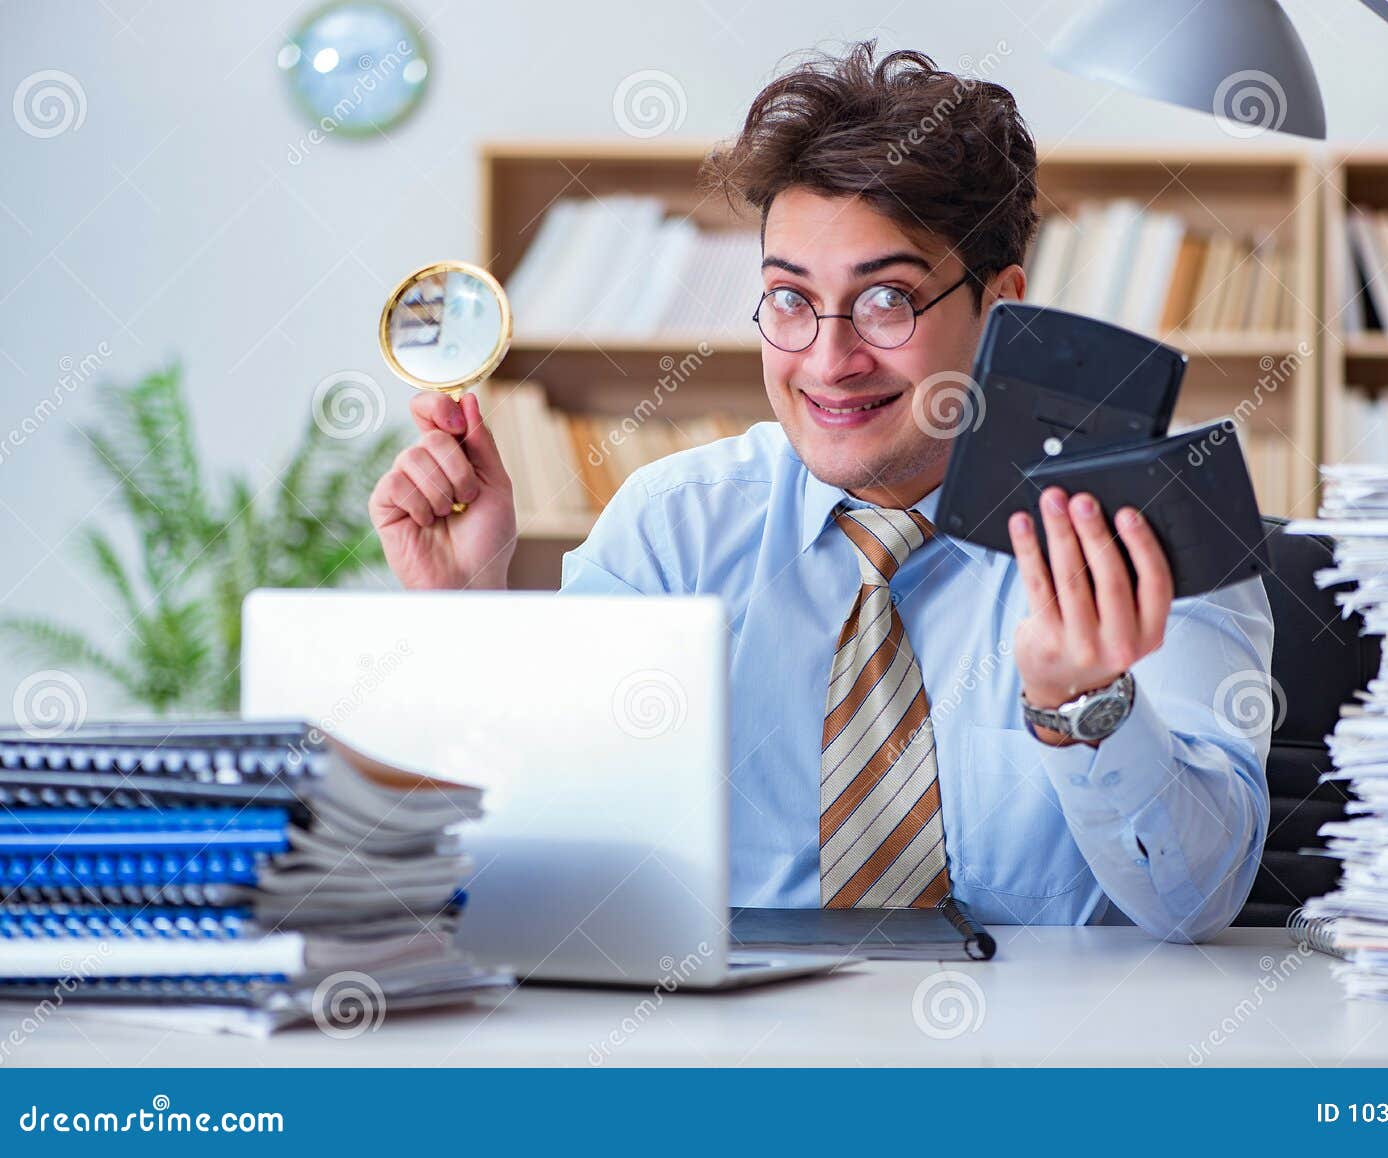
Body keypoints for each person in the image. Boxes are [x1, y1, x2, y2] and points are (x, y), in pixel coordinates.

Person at [368, 41, 1273, 941]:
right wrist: (465, 611)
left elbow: (1197, 906)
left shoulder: (1134, 531)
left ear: (1001, 306)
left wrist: (1083, 708)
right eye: (790, 300)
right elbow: (538, 848)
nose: (831, 361)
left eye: (887, 301)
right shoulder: (671, 529)